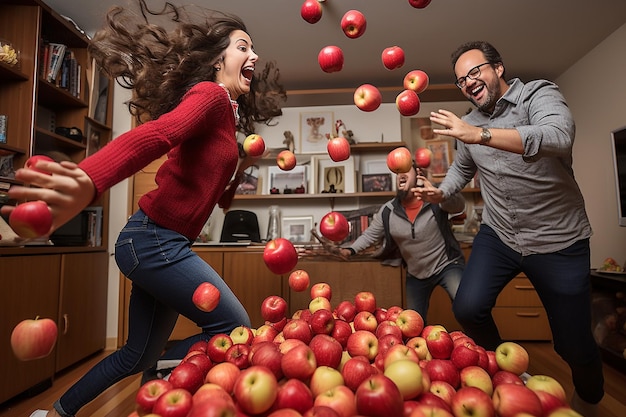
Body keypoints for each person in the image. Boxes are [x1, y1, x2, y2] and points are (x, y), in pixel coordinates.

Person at [1, 1, 284, 416]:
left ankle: (55, 413)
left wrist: (240, 168)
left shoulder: (228, 114)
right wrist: (90, 177)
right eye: (243, 47)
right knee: (234, 328)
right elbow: (160, 133)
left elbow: (210, 194)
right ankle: (169, 385)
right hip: (155, 239)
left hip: (158, 241)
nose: (254, 56)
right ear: (216, 59)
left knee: (135, 354)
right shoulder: (209, 95)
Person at [415, 40, 604, 416]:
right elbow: (461, 171)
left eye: (475, 72)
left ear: (498, 68)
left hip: (558, 239)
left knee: (573, 344)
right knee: (467, 308)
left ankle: (592, 398)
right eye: (460, 80)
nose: (468, 83)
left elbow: (558, 136)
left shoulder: (539, 94)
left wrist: (480, 134)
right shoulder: (470, 122)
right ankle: (509, 375)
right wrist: (441, 192)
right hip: (499, 235)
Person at [339, 161, 466, 320]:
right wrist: (350, 250)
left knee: (466, 307)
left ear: (417, 175)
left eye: (406, 170)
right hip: (415, 274)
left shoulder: (434, 201)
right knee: (413, 324)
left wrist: (440, 195)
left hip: (446, 266)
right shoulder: (388, 211)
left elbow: (459, 205)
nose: (401, 175)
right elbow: (370, 234)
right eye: (398, 172)